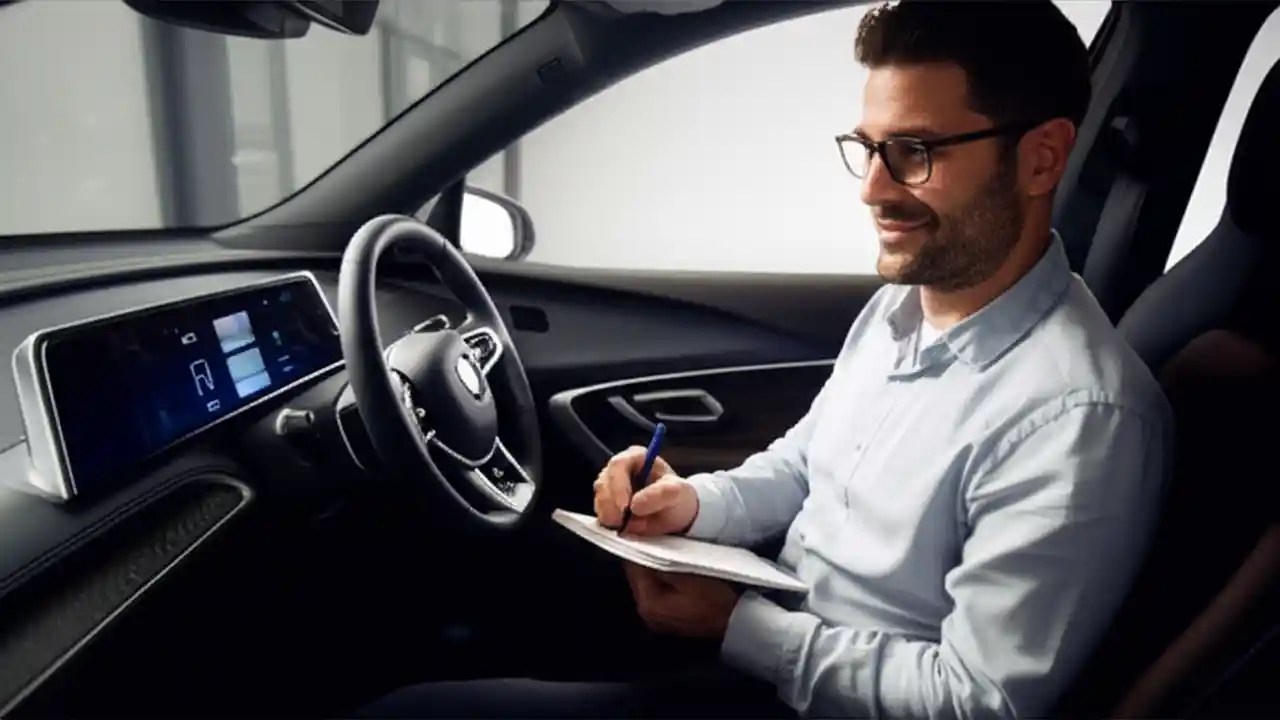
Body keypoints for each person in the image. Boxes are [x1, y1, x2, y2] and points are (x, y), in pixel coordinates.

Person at [362, 1, 1173, 717]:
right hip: (767, 640)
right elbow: (802, 469)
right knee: (438, 620)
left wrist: (739, 631)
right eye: (869, 148)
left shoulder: (1080, 415)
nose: (873, 192)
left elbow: (976, 700)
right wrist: (689, 507)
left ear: (1040, 158)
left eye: (917, 153)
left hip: (798, 692)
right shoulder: (903, 306)